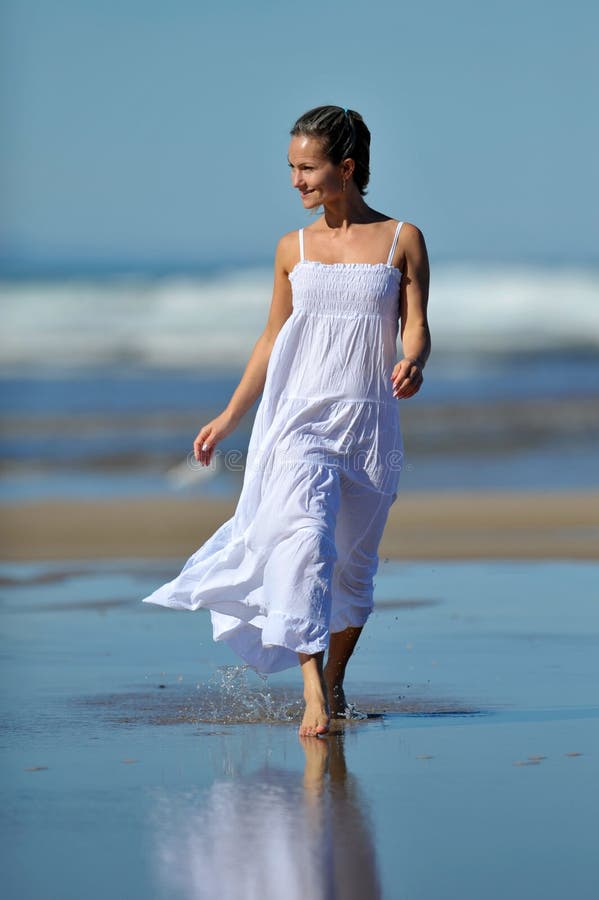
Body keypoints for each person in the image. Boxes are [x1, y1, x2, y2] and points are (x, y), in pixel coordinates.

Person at [142, 105, 431, 738]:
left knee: (353, 569)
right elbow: (272, 340)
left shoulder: (403, 238)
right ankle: (312, 695)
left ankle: (334, 683)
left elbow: (417, 328)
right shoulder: (291, 249)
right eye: (292, 168)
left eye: (307, 168)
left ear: (345, 168)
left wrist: (412, 362)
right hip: (298, 422)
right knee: (303, 543)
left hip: (370, 428)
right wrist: (227, 417)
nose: (296, 181)